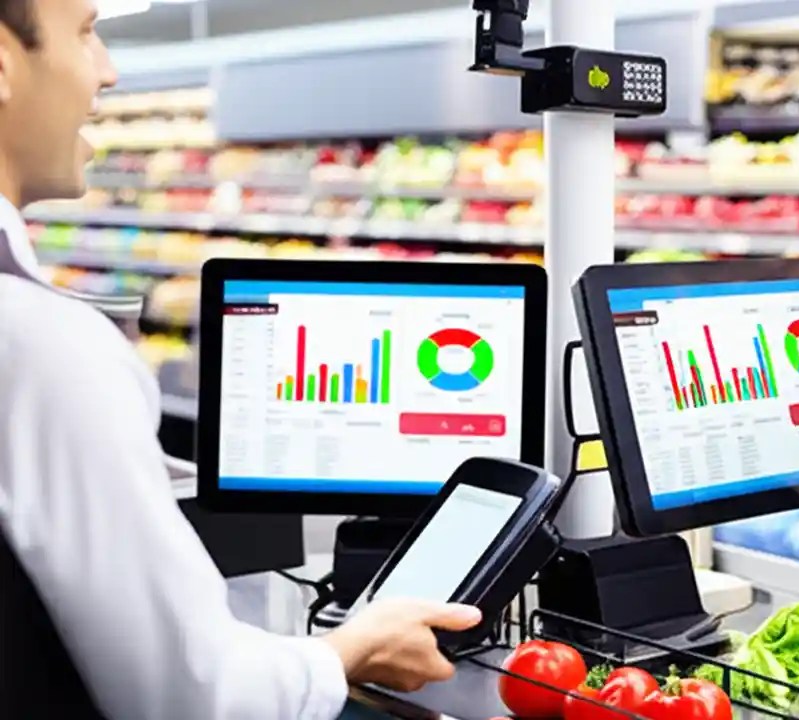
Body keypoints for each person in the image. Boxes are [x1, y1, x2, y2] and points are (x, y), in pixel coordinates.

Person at [0, 2, 480, 718]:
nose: (108, 70)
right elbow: (194, 696)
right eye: (84, 31)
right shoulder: (45, 347)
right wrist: (347, 651)